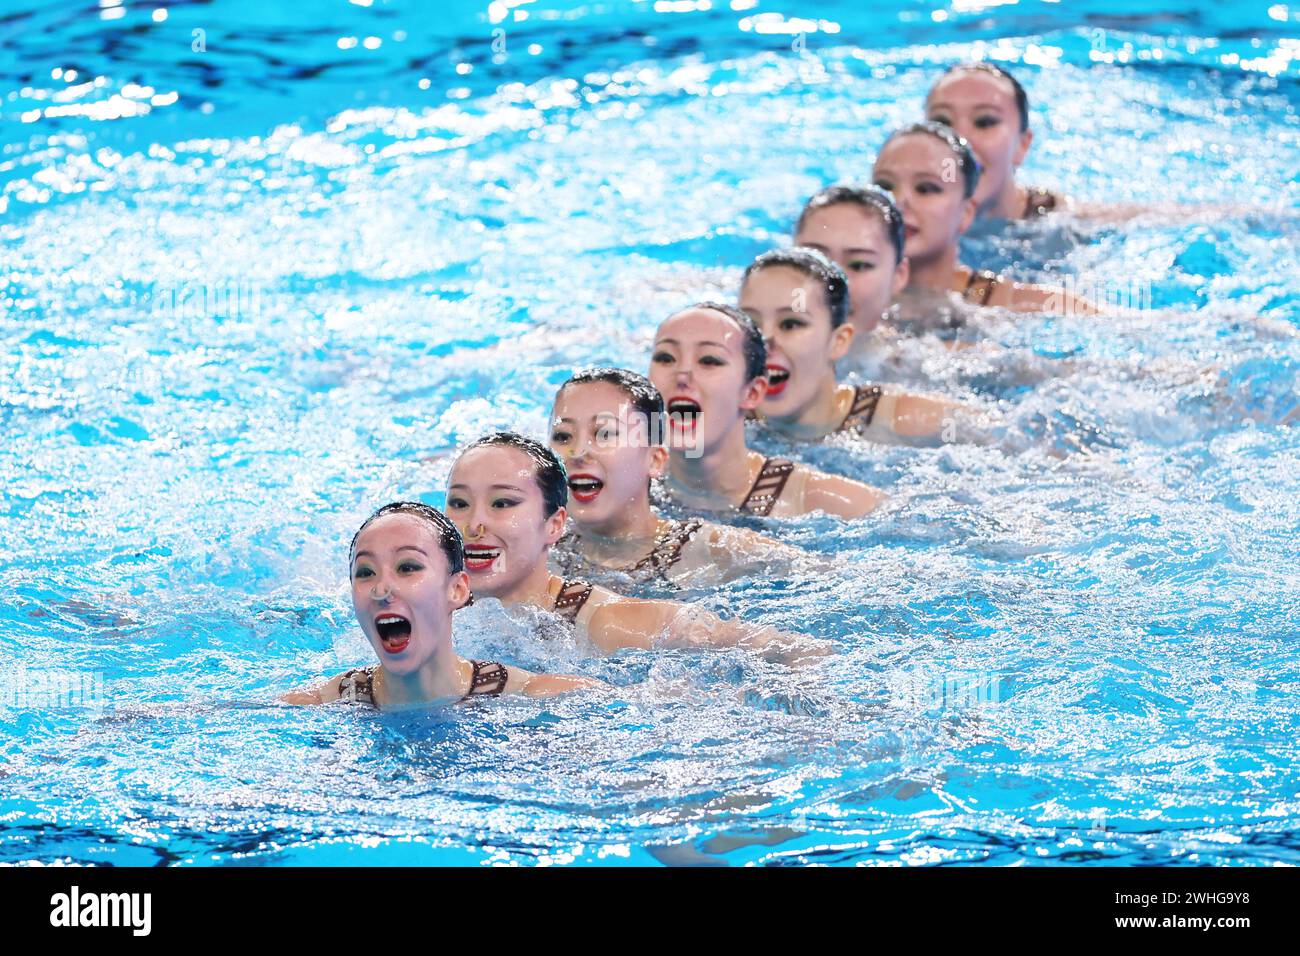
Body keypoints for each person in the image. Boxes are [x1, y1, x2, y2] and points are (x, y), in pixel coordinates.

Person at [445, 432, 826, 662]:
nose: (473, 524)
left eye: (502, 504)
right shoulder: (427, 606)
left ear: (553, 525)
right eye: (459, 503)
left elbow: (790, 649)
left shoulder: (605, 622)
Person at [281, 502, 600, 710]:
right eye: (365, 572)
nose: (381, 588)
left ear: (457, 589)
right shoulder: (324, 704)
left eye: (407, 568)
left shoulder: (530, 698)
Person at [548, 367, 808, 585]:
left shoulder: (712, 550)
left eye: (604, 434)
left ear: (654, 460)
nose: (577, 452)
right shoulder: (535, 549)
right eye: (563, 436)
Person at [648, 302, 888, 518]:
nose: (682, 375)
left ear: (752, 392)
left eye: (709, 360)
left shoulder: (825, 502)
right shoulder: (625, 485)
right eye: (666, 358)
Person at [739, 247, 974, 444]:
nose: (764, 340)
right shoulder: (723, 422)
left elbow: (1002, 439)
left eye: (790, 324)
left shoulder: (911, 420)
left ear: (838, 341)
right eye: (751, 323)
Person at [872, 121, 1096, 315]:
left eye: (926, 188)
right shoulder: (845, 297)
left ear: (965, 214)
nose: (899, 202)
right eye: (884, 187)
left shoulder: (1018, 307)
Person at [923, 62, 1066, 222]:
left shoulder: (1067, 223)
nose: (959, 140)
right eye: (942, 123)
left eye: (984, 122)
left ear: (1022, 145)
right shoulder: (900, 226)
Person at [792, 183, 910, 343]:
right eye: (815, 261)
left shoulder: (924, 364)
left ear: (898, 276)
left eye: (859, 265)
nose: (833, 284)